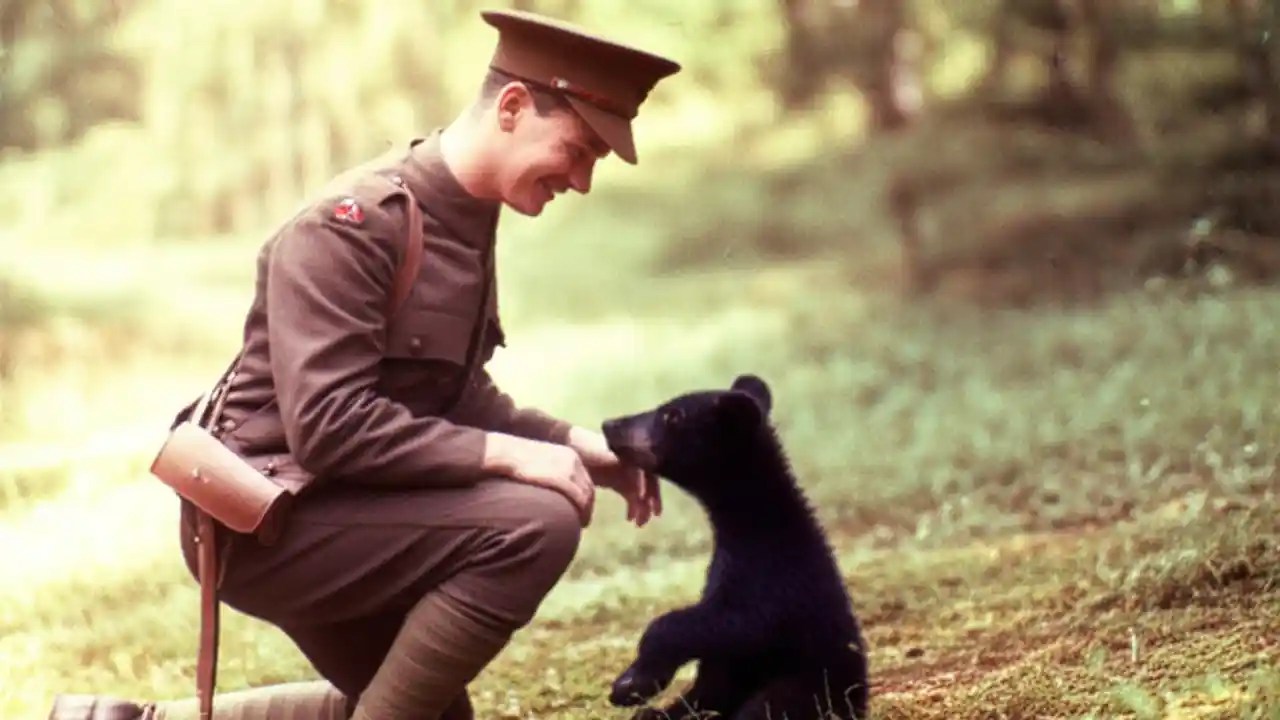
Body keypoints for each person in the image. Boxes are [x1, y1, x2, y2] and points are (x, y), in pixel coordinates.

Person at [49, 8, 681, 720]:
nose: (582, 180)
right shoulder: (351, 225)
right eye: (578, 150)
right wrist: (515, 459)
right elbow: (328, 426)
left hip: (345, 503)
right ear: (511, 108)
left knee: (430, 710)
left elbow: (453, 392)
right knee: (537, 521)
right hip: (269, 519)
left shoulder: (466, 216)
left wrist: (570, 445)